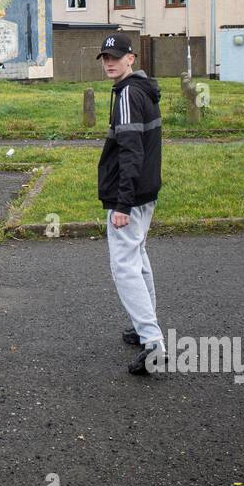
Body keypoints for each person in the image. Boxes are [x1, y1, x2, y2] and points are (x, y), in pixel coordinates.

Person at [96, 33, 165, 375]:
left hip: (130, 197)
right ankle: (144, 331)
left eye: (116, 56)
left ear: (131, 58)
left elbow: (131, 151)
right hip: (146, 192)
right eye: (105, 57)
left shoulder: (127, 94)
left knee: (124, 266)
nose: (109, 62)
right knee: (138, 258)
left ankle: (153, 343)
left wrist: (122, 203)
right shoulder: (143, 90)